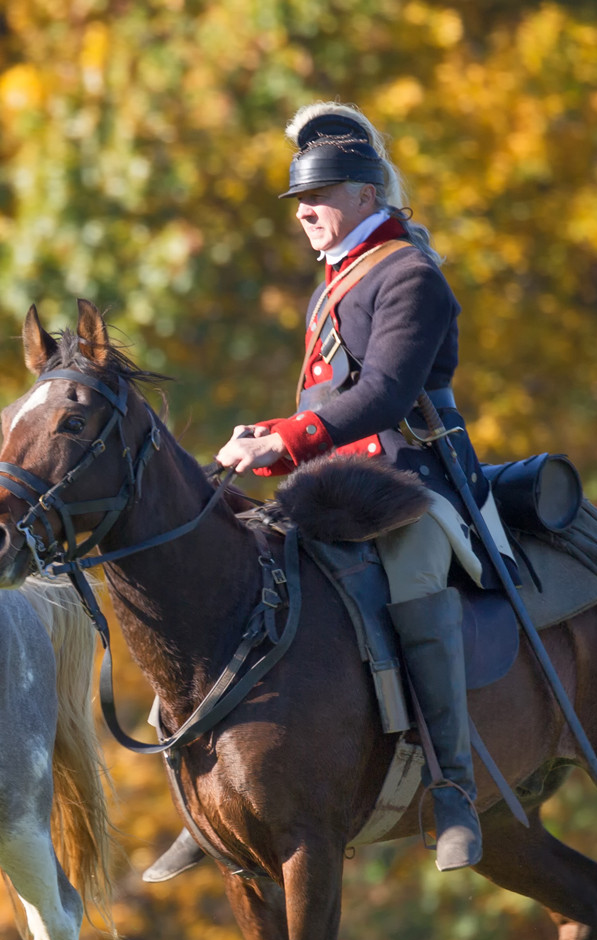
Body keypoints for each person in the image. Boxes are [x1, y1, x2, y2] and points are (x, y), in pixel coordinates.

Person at [144, 102, 503, 883]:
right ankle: (205, 800)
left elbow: (379, 397)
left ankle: (453, 787)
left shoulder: (409, 274)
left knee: (413, 582)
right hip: (334, 484)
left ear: (367, 197)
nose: (305, 210)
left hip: (409, 482)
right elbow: (324, 406)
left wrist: (288, 440)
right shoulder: (337, 278)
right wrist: (268, 434)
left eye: (324, 193)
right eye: (301, 198)